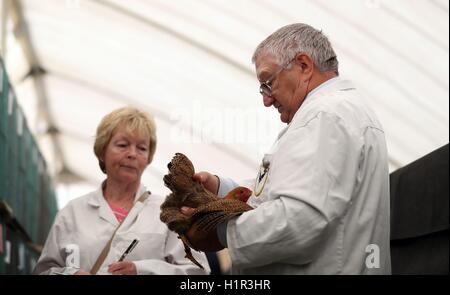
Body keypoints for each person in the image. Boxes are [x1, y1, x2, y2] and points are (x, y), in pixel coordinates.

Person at [183, 23, 391, 274]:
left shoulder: (325, 116)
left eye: (268, 82)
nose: (266, 99)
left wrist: (219, 231)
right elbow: (285, 190)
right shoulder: (336, 113)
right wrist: (221, 189)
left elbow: (299, 219)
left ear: (304, 65)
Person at [34, 106, 210, 275]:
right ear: (102, 151)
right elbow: (43, 271)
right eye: (122, 145)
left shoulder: (168, 212)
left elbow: (198, 272)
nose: (132, 154)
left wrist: (143, 271)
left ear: (148, 158)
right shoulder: (73, 213)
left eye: (141, 148)